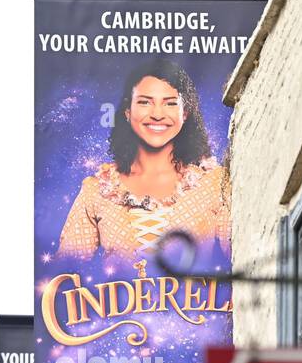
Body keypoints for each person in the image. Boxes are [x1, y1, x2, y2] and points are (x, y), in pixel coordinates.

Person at [58, 58, 230, 261]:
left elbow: (242, 262)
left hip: (198, 293)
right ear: (128, 112)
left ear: (185, 114)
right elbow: (68, 274)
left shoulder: (214, 183)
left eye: (170, 103)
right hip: (118, 293)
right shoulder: (95, 190)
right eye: (145, 102)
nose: (157, 114)